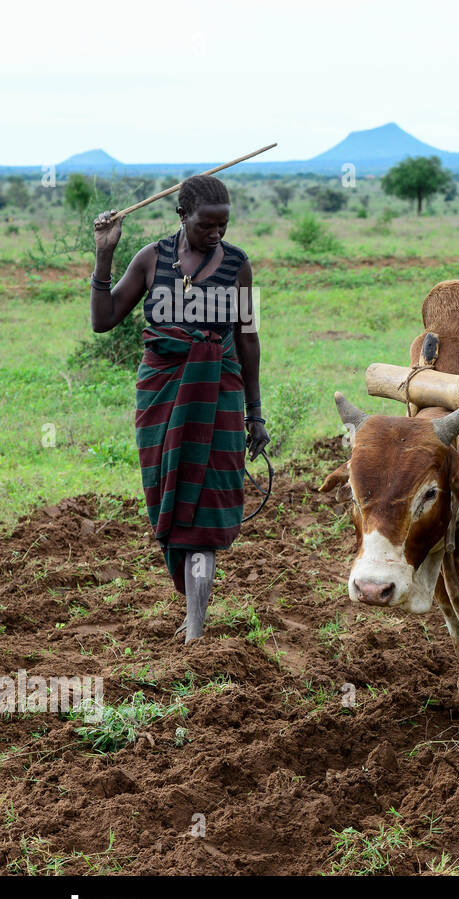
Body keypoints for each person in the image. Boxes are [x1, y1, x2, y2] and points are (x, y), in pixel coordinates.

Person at [90, 175, 270, 640]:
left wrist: (255, 413)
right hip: (161, 396)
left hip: (219, 397)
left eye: (223, 225)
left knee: (204, 508)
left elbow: (247, 338)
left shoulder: (237, 266)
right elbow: (103, 320)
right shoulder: (151, 259)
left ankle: (195, 623)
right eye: (206, 225)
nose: (217, 235)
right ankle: (192, 612)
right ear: (181, 216)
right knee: (167, 497)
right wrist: (105, 254)